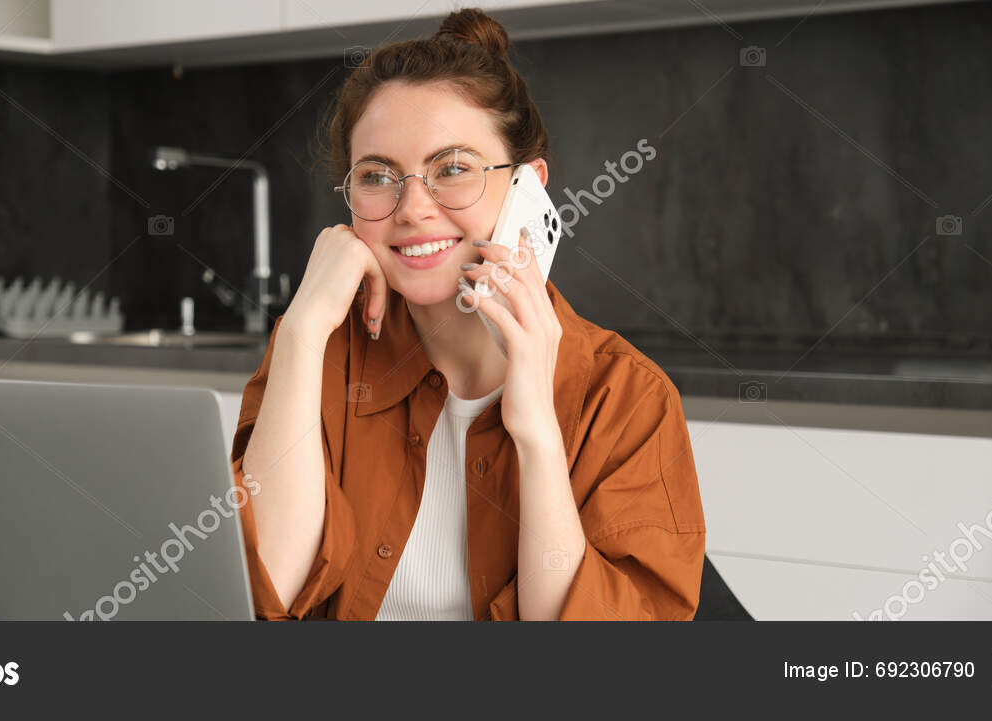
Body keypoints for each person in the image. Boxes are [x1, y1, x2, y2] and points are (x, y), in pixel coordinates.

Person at [231, 7, 705, 620]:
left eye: (452, 168)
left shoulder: (627, 397)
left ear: (528, 187)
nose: (412, 208)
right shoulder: (319, 353)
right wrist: (300, 331)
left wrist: (536, 433)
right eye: (377, 176)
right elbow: (261, 593)